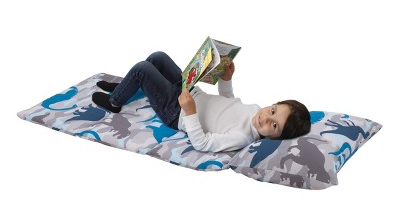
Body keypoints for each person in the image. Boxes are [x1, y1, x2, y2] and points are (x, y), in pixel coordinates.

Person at [92, 51, 311, 152]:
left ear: (276, 137)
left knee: (143, 69)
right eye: (272, 111)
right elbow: (228, 103)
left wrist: (190, 112)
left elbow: (202, 143)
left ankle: (115, 101)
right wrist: (226, 79)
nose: (266, 118)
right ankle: (125, 88)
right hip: (190, 92)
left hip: (177, 111)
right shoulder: (254, 110)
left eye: (274, 125)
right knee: (158, 57)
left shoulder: (241, 137)